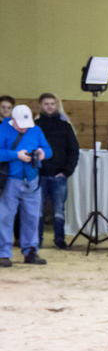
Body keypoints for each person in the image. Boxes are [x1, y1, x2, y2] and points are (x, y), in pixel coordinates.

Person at [0, 105, 53, 266]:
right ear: (13, 120)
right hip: (10, 179)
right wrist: (16, 155)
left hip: (32, 180)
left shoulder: (35, 130)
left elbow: (48, 149)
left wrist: (43, 153)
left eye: (26, 126)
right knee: (5, 217)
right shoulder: (3, 129)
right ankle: (3, 254)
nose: (24, 129)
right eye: (21, 126)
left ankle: (31, 251)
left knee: (32, 216)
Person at [35, 93, 80, 250]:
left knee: (58, 211)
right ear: (40, 106)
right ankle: (36, 240)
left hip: (59, 175)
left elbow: (74, 150)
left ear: (56, 106)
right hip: (39, 176)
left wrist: (67, 171)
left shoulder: (65, 127)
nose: (49, 107)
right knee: (37, 210)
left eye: (52, 104)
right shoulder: (35, 126)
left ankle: (59, 240)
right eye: (46, 104)